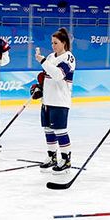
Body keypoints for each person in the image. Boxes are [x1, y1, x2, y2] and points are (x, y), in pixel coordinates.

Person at [32, 28, 76, 172]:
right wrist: (39, 88)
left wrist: (43, 61)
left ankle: (66, 159)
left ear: (63, 43)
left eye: (56, 43)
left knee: (60, 130)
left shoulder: (68, 58)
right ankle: (52, 157)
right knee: (48, 130)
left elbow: (58, 75)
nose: (53, 46)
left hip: (59, 101)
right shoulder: (51, 57)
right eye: (52, 43)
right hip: (47, 100)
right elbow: (46, 77)